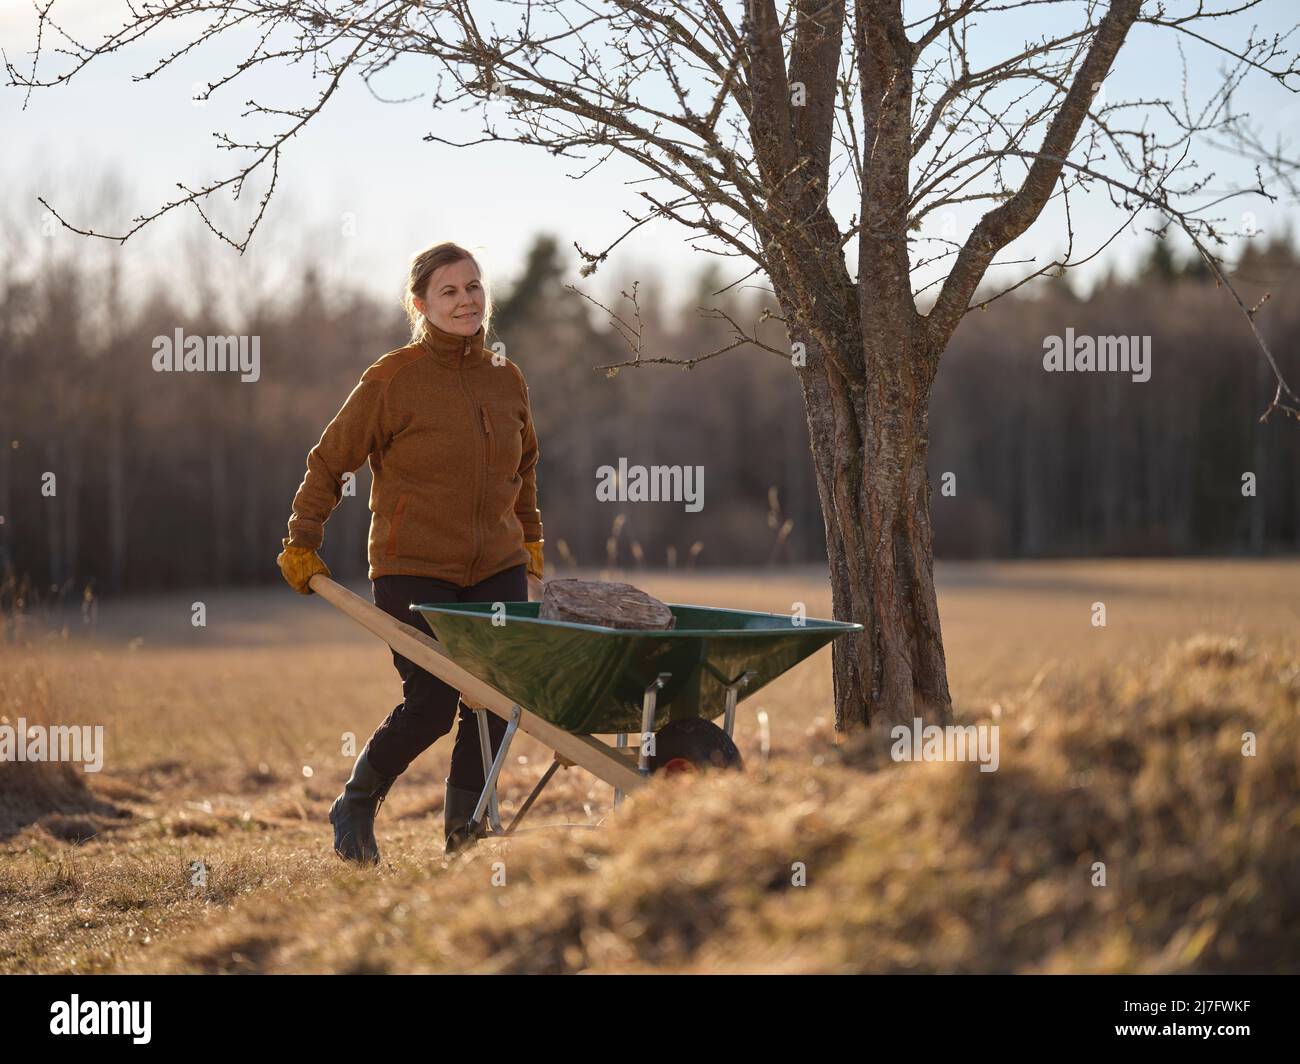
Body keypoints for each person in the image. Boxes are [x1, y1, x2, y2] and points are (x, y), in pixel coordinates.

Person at [276, 241, 544, 863]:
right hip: (411, 567)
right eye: (449, 291)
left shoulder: (506, 376)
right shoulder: (393, 379)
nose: (466, 300)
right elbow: (331, 458)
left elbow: (525, 466)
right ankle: (356, 803)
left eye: (474, 286)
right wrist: (302, 538)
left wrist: (528, 535)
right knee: (431, 703)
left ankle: (464, 830)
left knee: (496, 702)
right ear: (420, 303)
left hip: (496, 567)